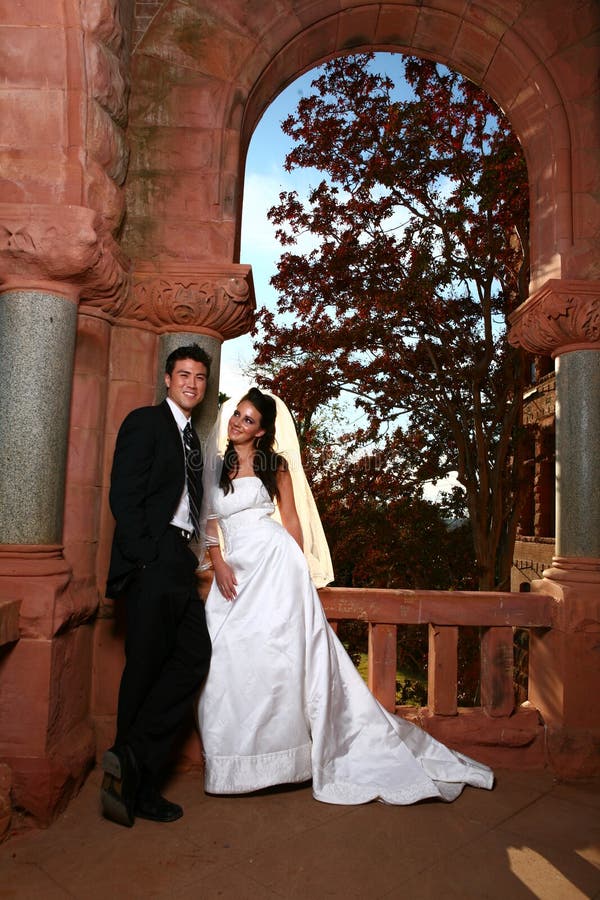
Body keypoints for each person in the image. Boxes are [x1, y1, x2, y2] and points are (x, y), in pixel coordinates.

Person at [197, 387, 494, 805]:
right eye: (236, 415)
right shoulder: (213, 465)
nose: (237, 423)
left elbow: (292, 522)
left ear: (262, 431)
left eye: (248, 419)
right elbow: (210, 521)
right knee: (227, 657)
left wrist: (297, 570)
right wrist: (220, 563)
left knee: (280, 660)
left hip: (275, 563)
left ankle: (286, 762)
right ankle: (234, 766)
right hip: (236, 568)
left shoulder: (275, 466)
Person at [101, 344, 213, 826]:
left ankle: (129, 759)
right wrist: (146, 557)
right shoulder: (145, 422)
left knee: (193, 657)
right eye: (183, 374)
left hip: (178, 562)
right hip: (153, 559)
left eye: (200, 377)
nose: (192, 383)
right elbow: (124, 497)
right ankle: (132, 789)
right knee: (144, 671)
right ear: (167, 379)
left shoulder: (194, 439)